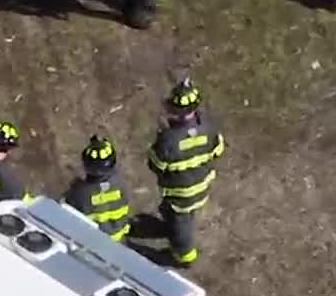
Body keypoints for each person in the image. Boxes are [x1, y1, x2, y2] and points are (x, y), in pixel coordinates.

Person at [147, 78, 224, 267]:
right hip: (202, 185)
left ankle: (183, 257)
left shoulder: (168, 140)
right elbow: (218, 150)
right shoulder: (208, 127)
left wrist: (162, 140)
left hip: (179, 194)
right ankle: (171, 228)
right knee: (179, 215)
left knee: (181, 224)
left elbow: (155, 164)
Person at [63, 135, 132, 242]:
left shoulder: (79, 192)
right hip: (120, 240)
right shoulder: (121, 184)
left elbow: (66, 214)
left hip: (96, 245)